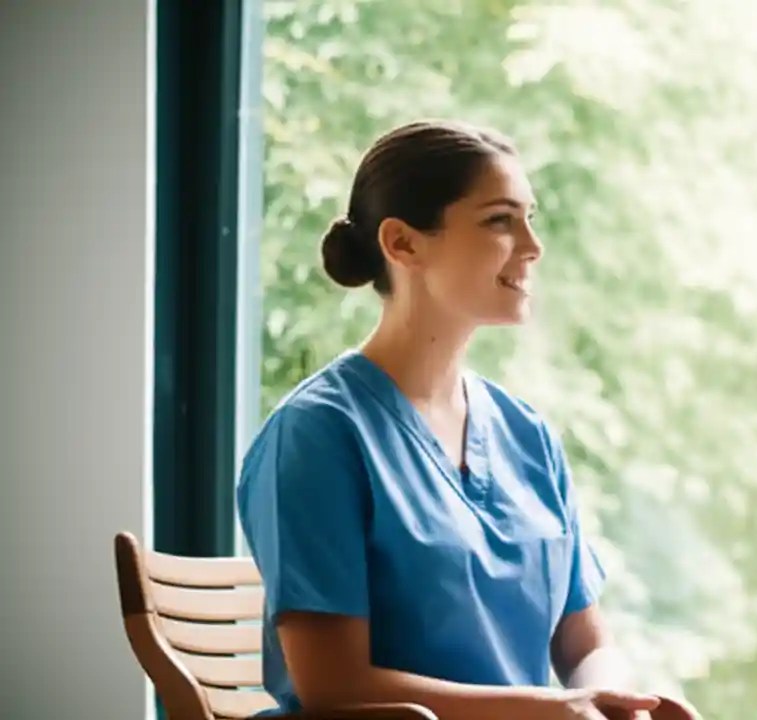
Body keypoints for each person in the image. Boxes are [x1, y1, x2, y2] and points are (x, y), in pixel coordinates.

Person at [236, 120, 696, 720]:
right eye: (500, 220)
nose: (533, 245)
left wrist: (614, 701)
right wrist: (549, 711)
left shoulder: (525, 433)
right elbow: (333, 685)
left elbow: (586, 644)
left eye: (530, 217)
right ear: (403, 244)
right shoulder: (318, 435)